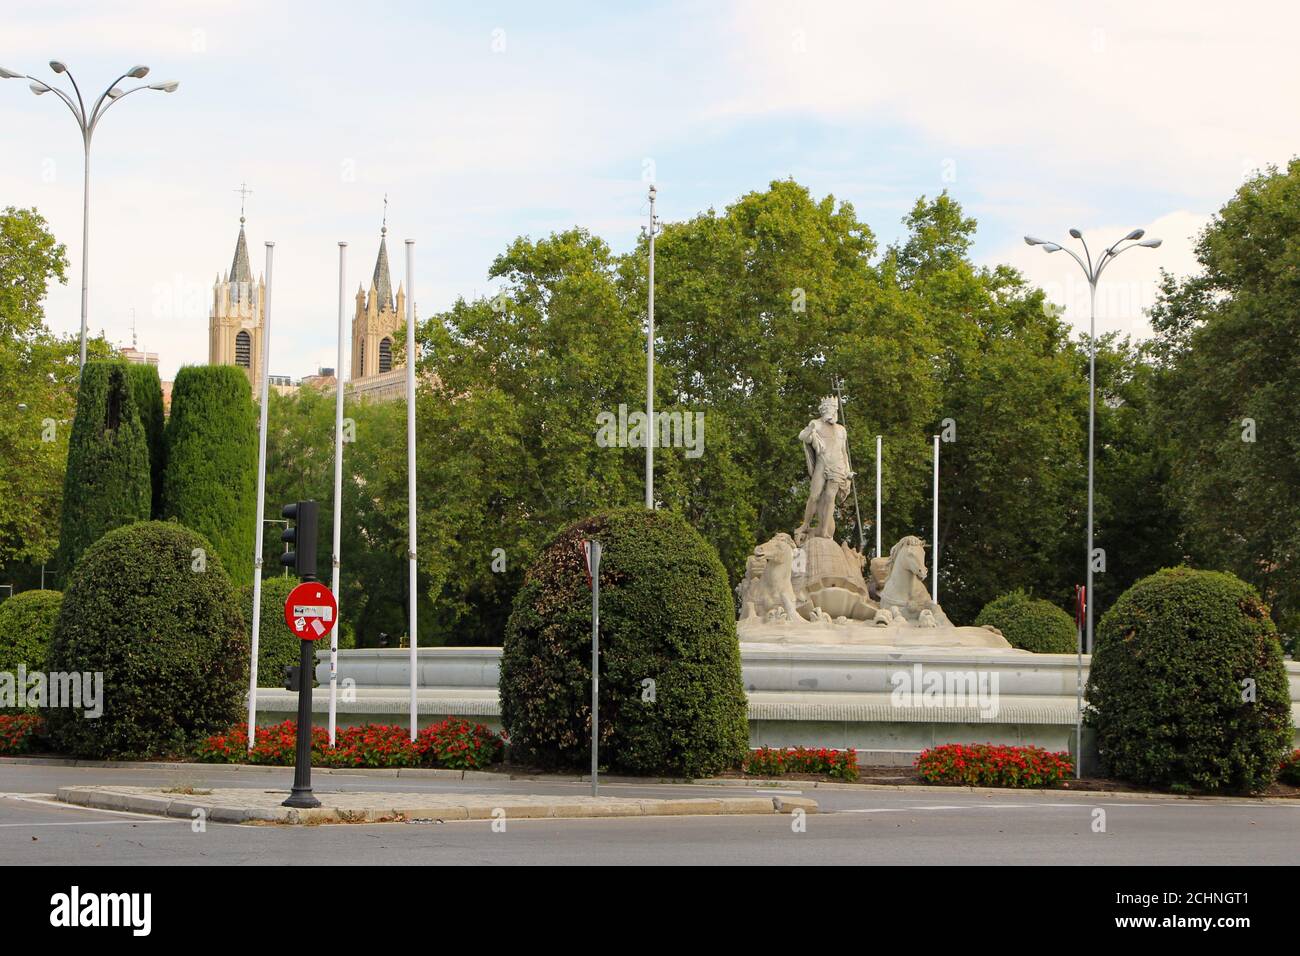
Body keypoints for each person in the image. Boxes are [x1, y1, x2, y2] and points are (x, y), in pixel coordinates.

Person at [794, 396, 853, 543]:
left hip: (838, 466)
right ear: (822, 410)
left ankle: (825, 530)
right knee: (814, 495)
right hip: (822, 463)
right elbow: (803, 437)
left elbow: (844, 451)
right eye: (827, 409)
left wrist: (847, 470)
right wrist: (810, 430)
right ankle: (805, 524)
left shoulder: (841, 430)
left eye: (832, 409)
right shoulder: (816, 424)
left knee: (830, 497)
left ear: (836, 411)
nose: (830, 412)